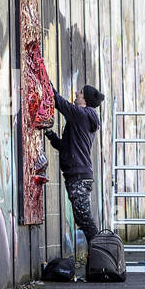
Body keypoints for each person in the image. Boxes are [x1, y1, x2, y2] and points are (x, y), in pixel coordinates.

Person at [45, 84, 102, 244]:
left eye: (81, 92)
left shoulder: (81, 114)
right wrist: (50, 135)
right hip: (77, 176)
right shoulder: (82, 118)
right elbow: (65, 147)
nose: (77, 93)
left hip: (79, 177)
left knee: (85, 220)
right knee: (82, 219)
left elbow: (59, 102)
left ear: (85, 100)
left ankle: (102, 255)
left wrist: (46, 80)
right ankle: (98, 258)